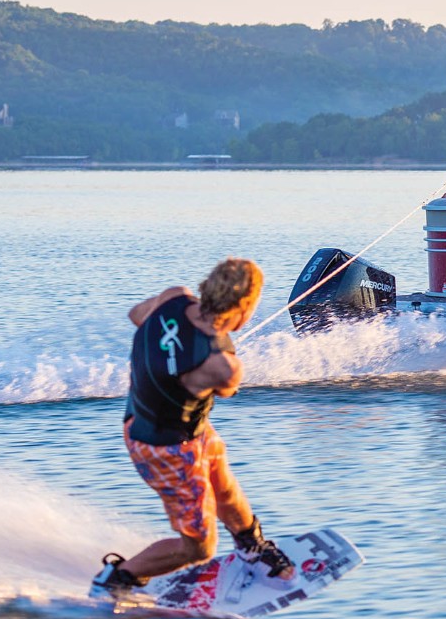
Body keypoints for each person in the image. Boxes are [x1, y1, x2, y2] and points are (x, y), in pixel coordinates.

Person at [89, 257, 295, 600]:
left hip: (177, 425)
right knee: (199, 547)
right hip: (163, 447)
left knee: (223, 484)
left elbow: (137, 316)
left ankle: (251, 545)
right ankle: (116, 579)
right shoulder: (222, 365)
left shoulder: (173, 298)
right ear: (243, 311)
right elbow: (226, 389)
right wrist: (214, 343)